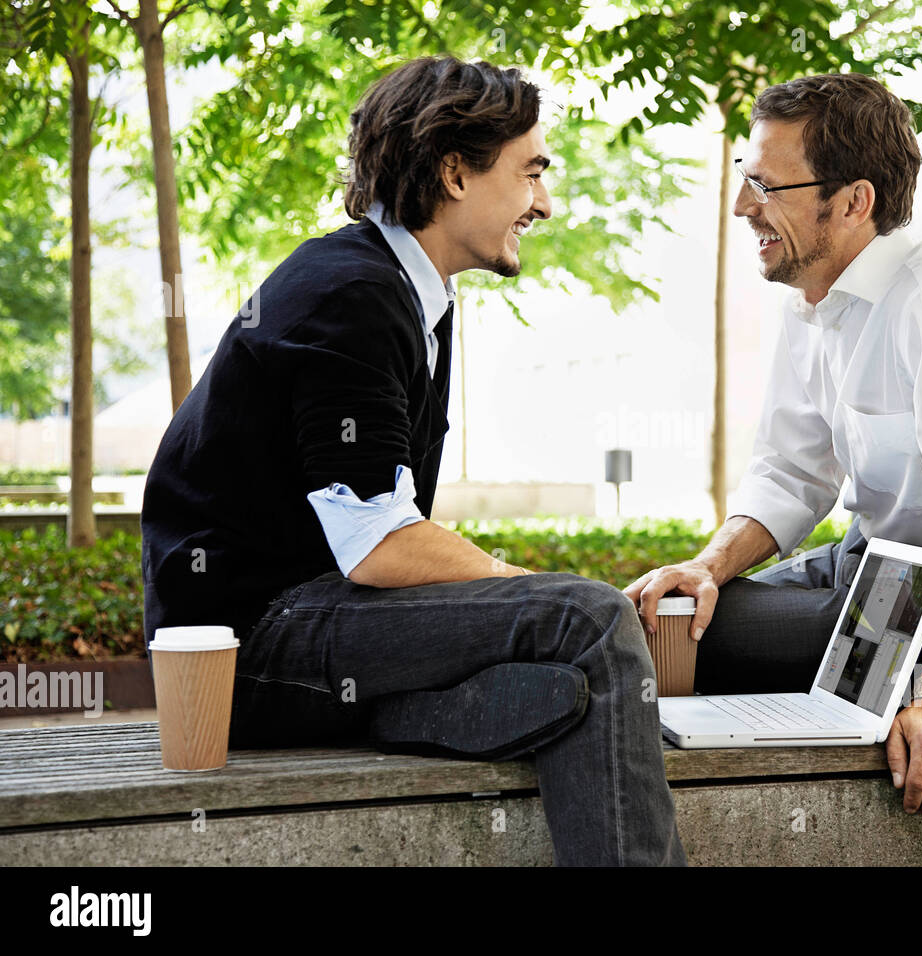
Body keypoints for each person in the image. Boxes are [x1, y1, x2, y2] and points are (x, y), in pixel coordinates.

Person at [141, 55, 686, 867]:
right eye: (531, 171)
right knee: (588, 616)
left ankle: (421, 707)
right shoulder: (351, 295)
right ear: (453, 172)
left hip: (316, 620)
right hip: (243, 655)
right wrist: (527, 590)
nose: (545, 201)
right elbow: (381, 543)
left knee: (562, 688)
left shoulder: (411, 292)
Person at [625, 73, 922, 817]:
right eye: (743, 179)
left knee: (661, 646)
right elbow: (793, 475)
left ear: (855, 200)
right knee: (659, 616)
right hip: (865, 568)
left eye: (766, 186)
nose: (742, 207)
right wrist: (705, 567)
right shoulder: (814, 299)